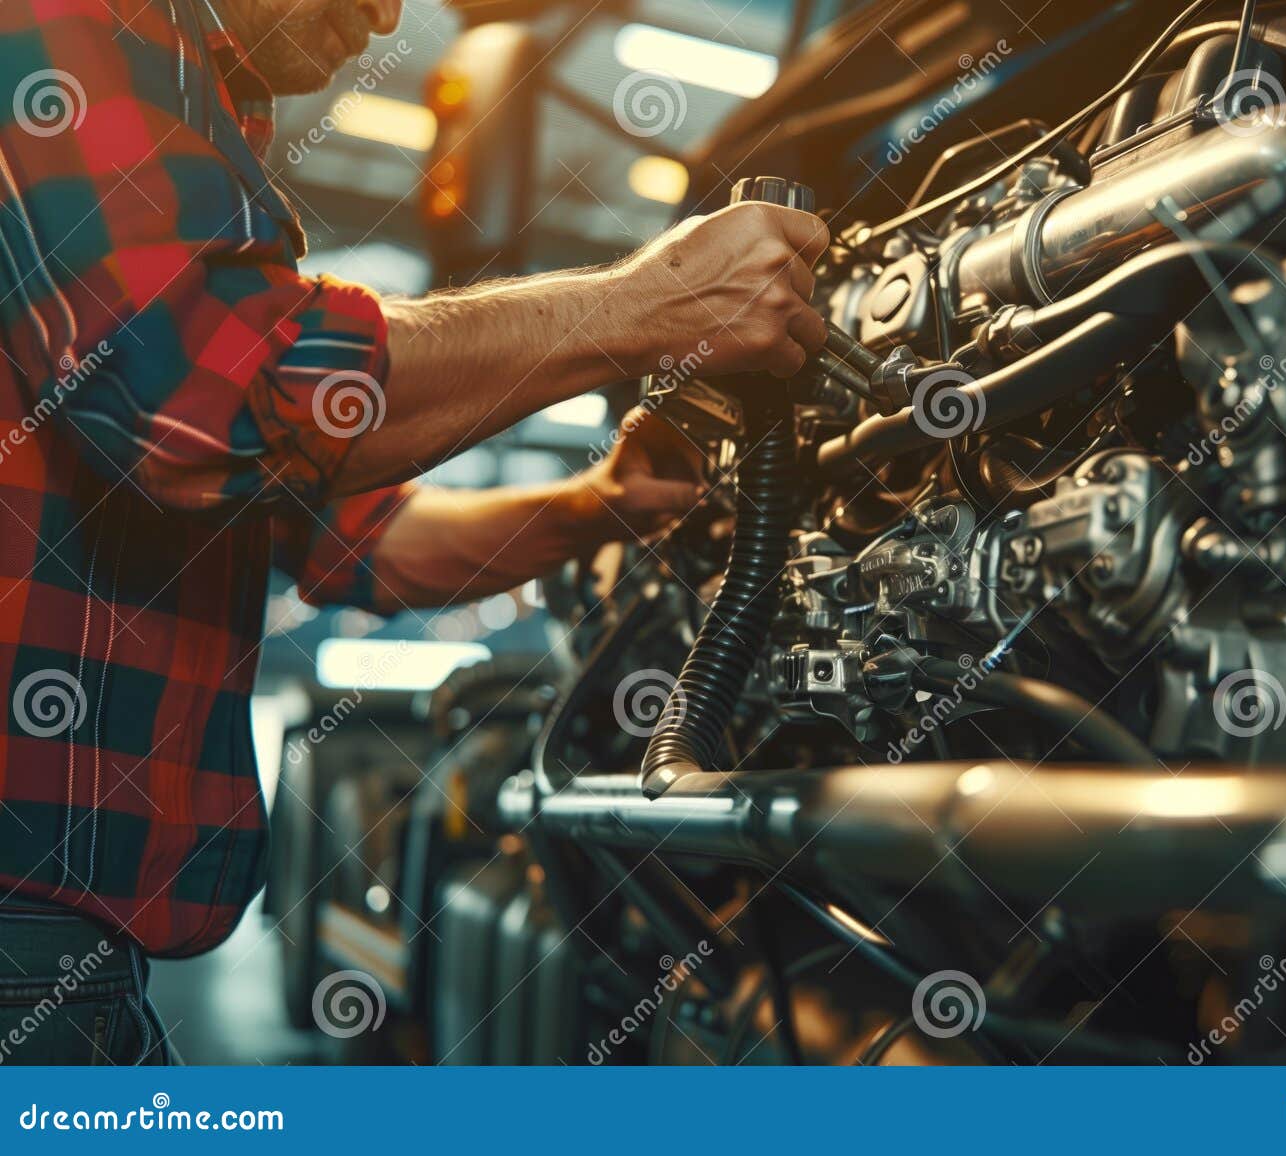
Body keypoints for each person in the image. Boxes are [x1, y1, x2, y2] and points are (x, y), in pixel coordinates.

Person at [0, 0, 828, 1063]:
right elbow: (212, 394)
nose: (390, 14)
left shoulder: (192, 149)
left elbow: (378, 541)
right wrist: (641, 305)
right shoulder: (69, 19)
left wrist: (601, 507)